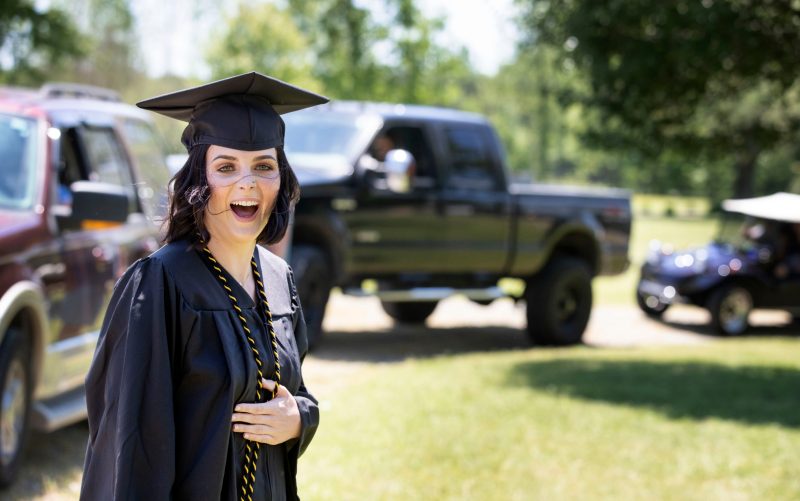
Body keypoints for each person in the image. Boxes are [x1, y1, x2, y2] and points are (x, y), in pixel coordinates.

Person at [80, 72, 328, 500]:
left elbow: (295, 391)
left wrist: (300, 418)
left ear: (280, 181)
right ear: (199, 181)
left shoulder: (278, 278)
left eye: (264, 166)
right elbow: (131, 445)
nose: (247, 182)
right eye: (226, 167)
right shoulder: (159, 284)